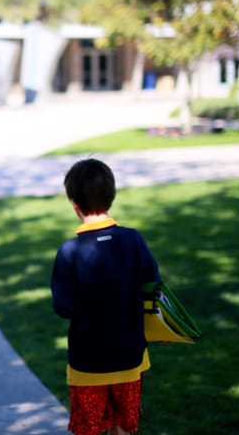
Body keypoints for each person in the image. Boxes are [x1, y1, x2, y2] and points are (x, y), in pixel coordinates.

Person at [50, 158, 161, 435]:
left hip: (87, 362)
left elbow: (64, 306)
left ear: (74, 203)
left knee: (89, 429)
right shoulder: (134, 240)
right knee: (123, 426)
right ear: (111, 196)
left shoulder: (69, 252)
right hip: (131, 356)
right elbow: (153, 285)